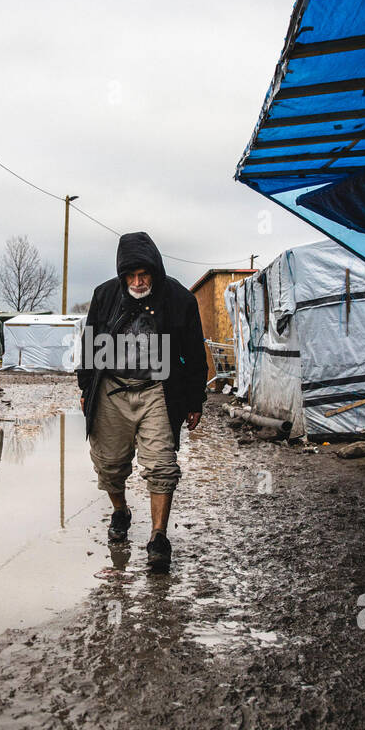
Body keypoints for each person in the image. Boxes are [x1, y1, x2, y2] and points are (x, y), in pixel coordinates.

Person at [77, 231, 206, 572]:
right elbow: (89, 345)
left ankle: (158, 537)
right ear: (122, 275)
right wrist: (85, 388)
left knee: (162, 464)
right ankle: (120, 511)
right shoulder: (104, 296)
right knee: (108, 464)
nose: (137, 282)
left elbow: (194, 353)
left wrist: (195, 399)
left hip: (157, 390)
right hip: (111, 389)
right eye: (131, 276)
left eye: (143, 275)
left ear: (155, 271)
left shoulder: (179, 299)